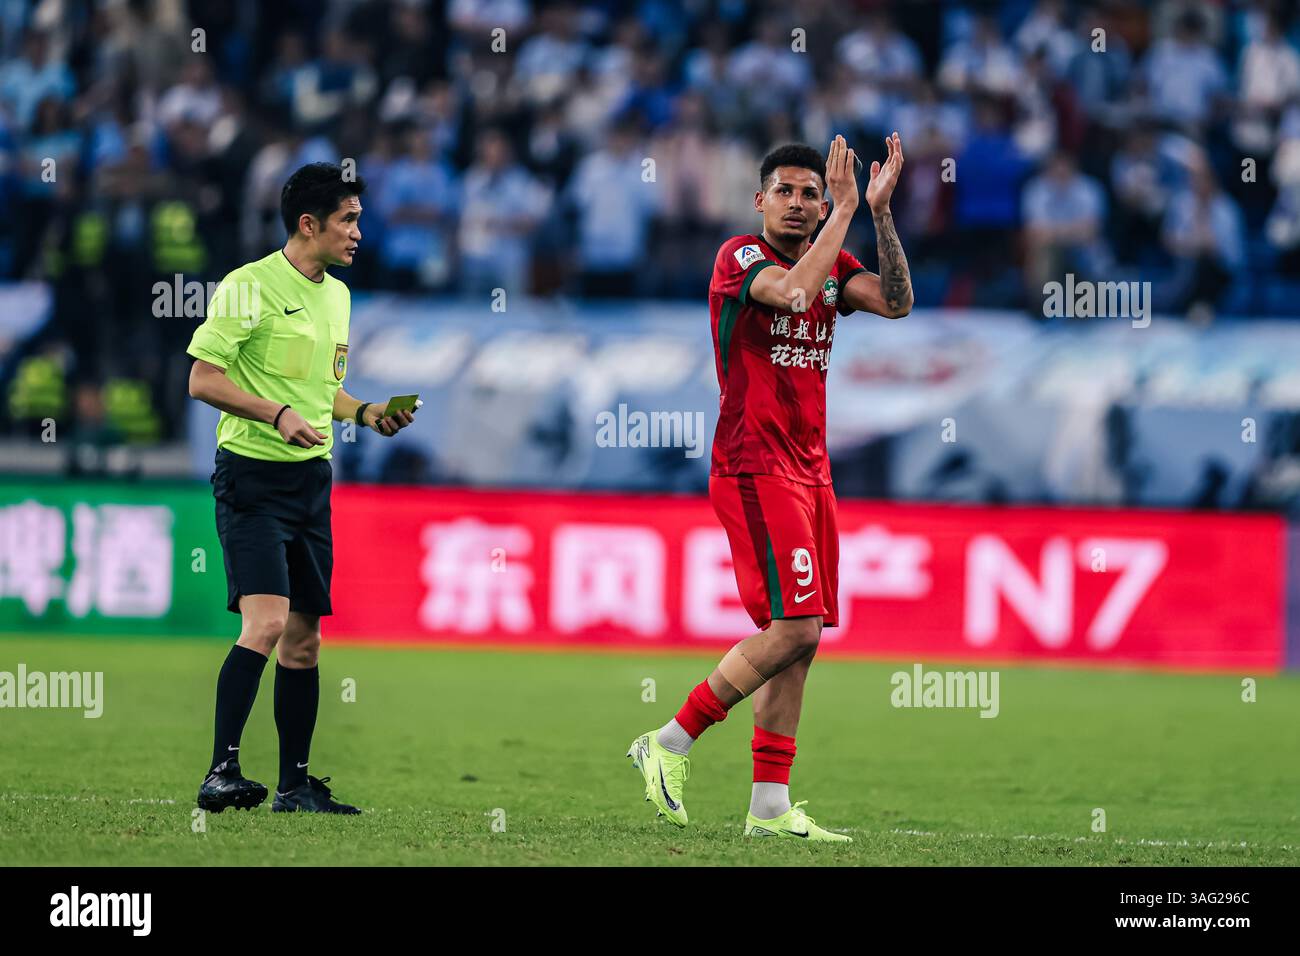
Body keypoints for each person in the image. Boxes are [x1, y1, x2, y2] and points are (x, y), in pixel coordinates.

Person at [627, 134, 912, 840]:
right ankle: (669, 739)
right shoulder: (740, 257)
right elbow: (790, 294)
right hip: (755, 466)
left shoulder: (836, 258)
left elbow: (898, 303)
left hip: (812, 472)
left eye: (810, 194)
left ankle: (769, 807)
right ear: (759, 201)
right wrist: (843, 213)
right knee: (795, 625)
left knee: (800, 638)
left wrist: (875, 212)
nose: (797, 203)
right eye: (784, 191)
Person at [187, 162, 416, 814]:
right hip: (252, 478)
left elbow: (321, 392)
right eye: (348, 221)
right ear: (308, 224)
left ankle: (293, 785)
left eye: (359, 220)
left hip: (311, 481)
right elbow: (203, 379)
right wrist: (273, 413)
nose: (358, 234)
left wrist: (368, 413)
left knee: (304, 638)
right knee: (263, 624)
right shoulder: (248, 286)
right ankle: (220, 772)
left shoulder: (338, 296)